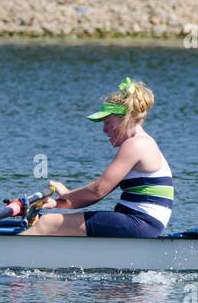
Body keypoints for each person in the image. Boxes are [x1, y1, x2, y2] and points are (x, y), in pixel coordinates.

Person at [23, 79, 173, 238]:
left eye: (108, 123)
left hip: (140, 222)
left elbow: (98, 191)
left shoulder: (136, 145)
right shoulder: (142, 143)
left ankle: (10, 255)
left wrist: (66, 193)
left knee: (47, 223)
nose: (104, 130)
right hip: (139, 222)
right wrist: (57, 203)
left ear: (126, 118)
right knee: (56, 224)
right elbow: (95, 195)